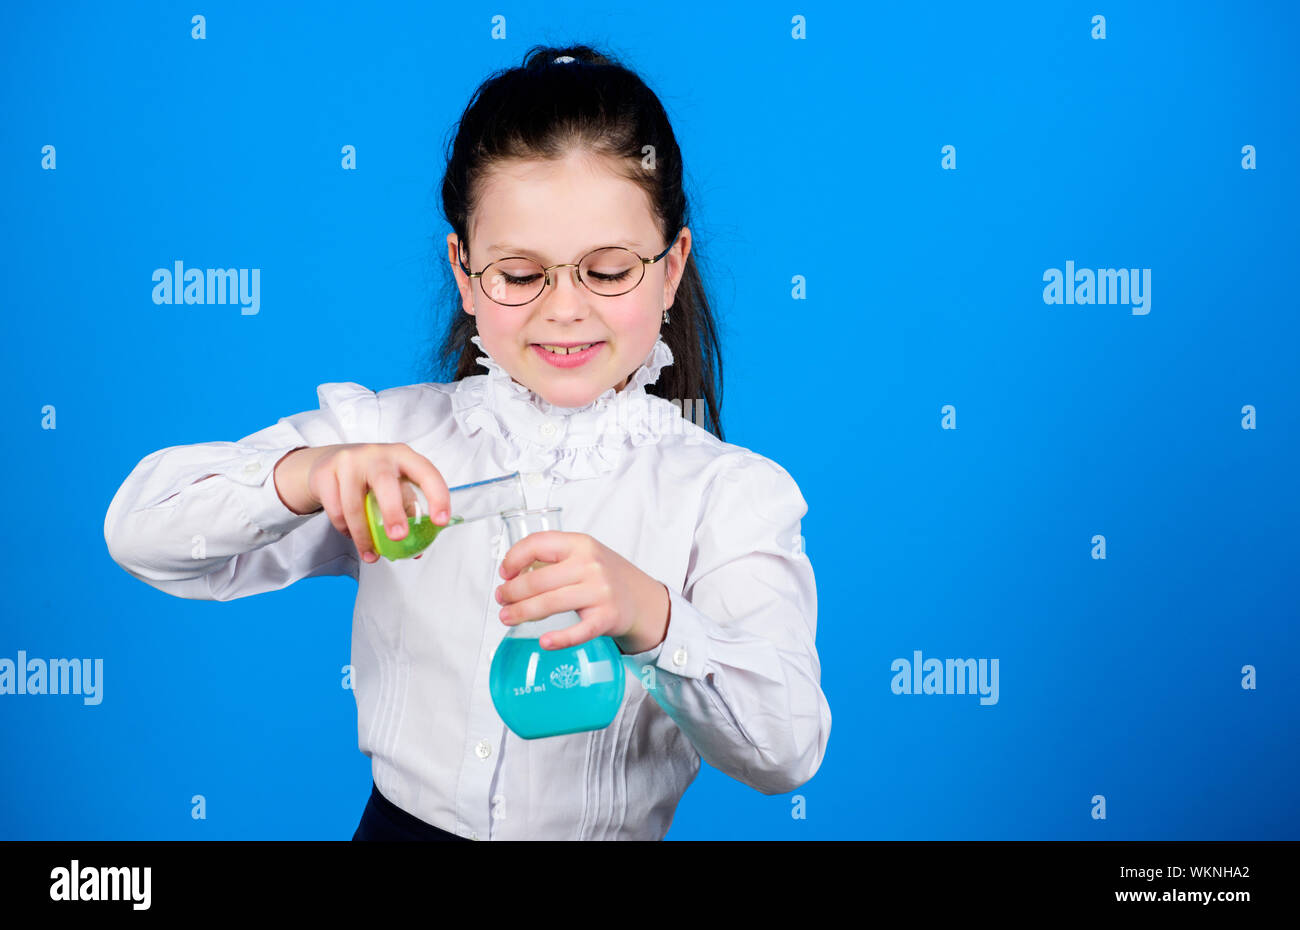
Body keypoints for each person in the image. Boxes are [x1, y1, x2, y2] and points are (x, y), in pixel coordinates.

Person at [103, 43, 831, 841]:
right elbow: (141, 531)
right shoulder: (389, 440)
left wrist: (652, 616)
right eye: (520, 275)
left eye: (609, 270)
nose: (564, 310)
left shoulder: (726, 494)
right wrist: (307, 476)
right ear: (464, 268)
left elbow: (786, 750)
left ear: (670, 267)